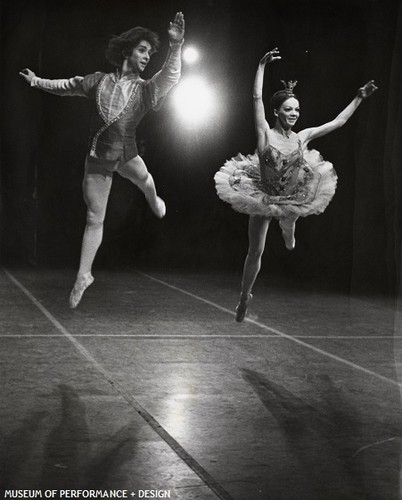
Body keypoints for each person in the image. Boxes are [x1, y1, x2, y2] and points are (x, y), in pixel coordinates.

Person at [20, 12, 185, 308]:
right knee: (94, 218)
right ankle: (84, 275)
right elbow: (66, 86)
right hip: (97, 159)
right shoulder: (97, 81)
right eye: (142, 50)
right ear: (127, 51)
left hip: (126, 155)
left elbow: (171, 75)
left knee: (145, 180)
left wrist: (176, 45)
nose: (147, 56)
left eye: (150, 52)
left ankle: (154, 198)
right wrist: (36, 82)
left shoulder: (146, 89)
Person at [214, 48, 377, 322]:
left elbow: (339, 122)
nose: (294, 113)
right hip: (263, 195)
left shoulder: (303, 137)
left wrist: (359, 98)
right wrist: (261, 66)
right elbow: (255, 98)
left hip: (292, 195)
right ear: (277, 111)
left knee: (293, 212)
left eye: (297, 109)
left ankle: (289, 228)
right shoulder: (264, 132)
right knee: (256, 250)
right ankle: (244, 297)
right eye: (288, 109)